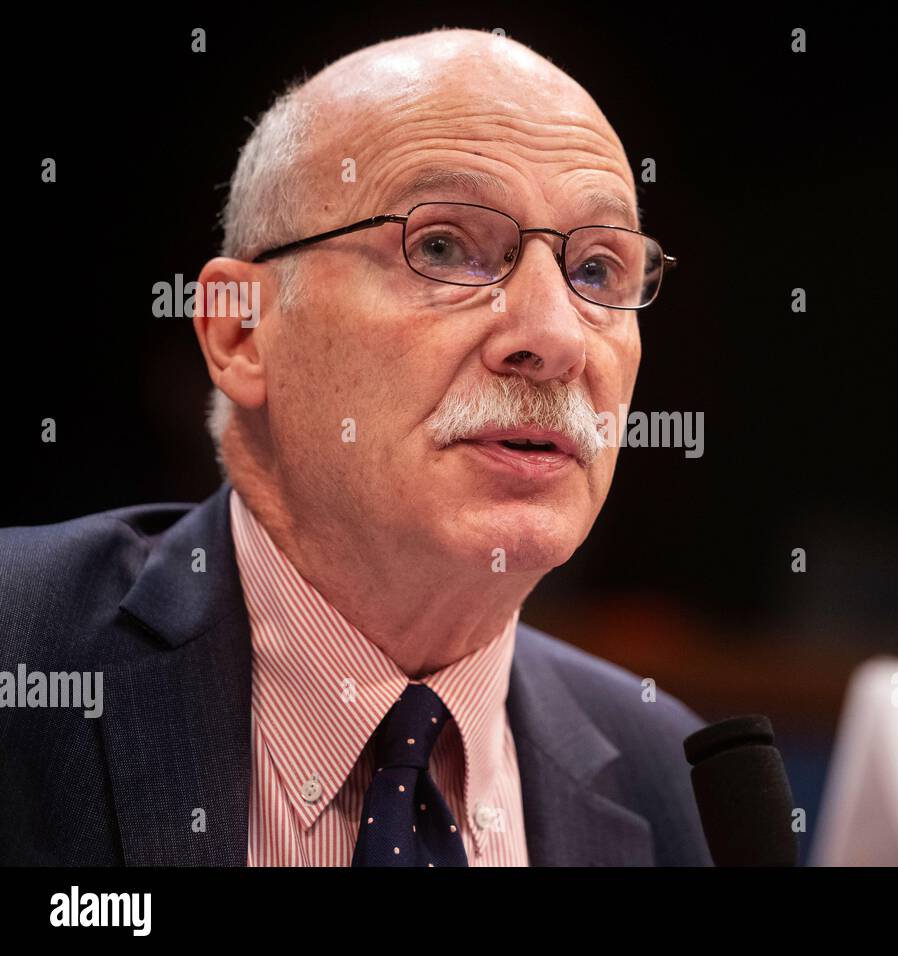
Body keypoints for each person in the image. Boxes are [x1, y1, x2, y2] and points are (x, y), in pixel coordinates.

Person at [0, 26, 710, 866]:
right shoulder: (21, 651)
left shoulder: (673, 779)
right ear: (241, 332)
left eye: (597, 271)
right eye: (443, 246)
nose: (554, 337)